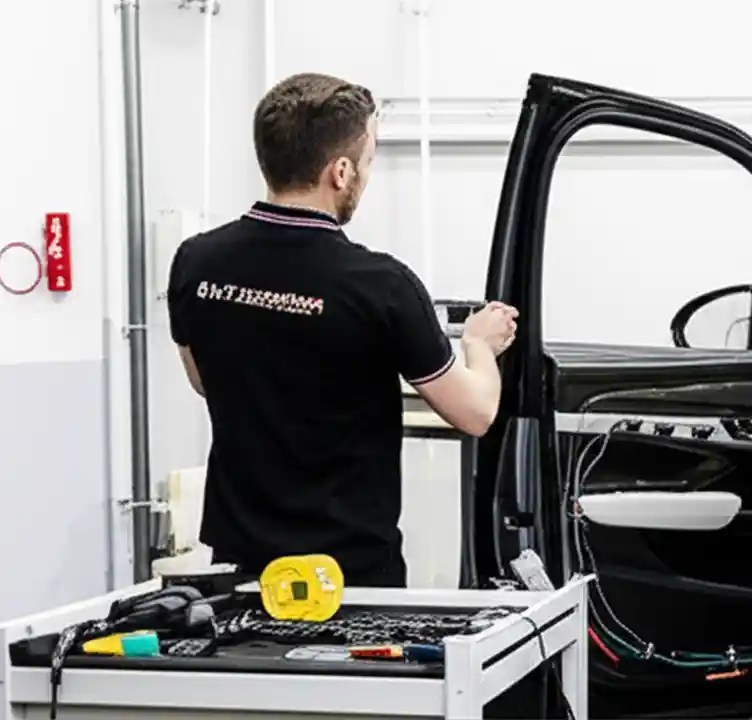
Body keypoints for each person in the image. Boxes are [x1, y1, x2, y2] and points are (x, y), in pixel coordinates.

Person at [166, 72, 517, 588]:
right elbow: (476, 412)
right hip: (347, 575)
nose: (367, 177)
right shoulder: (382, 285)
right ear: (341, 170)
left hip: (239, 571)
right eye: (370, 161)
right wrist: (479, 345)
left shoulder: (195, 261)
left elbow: (202, 379)